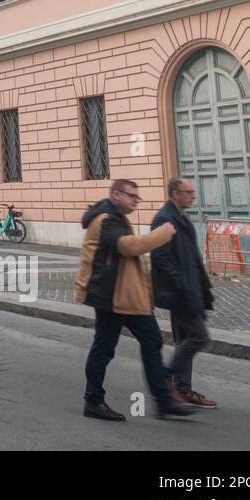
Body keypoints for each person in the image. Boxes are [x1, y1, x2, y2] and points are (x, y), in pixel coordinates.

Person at [76, 179, 193, 420]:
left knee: (152, 342)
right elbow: (128, 247)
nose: (136, 201)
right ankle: (93, 400)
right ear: (117, 194)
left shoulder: (116, 216)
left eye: (137, 197)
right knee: (104, 349)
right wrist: (163, 233)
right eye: (132, 196)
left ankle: (163, 401)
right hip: (110, 297)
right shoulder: (105, 219)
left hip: (128, 298)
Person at [151, 179, 217, 409]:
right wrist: (181, 284)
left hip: (190, 289)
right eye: (188, 192)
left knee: (184, 339)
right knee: (199, 337)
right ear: (175, 193)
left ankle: (183, 388)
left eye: (193, 192)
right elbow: (161, 257)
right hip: (181, 293)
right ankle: (167, 376)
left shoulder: (179, 216)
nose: (193, 196)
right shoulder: (164, 218)